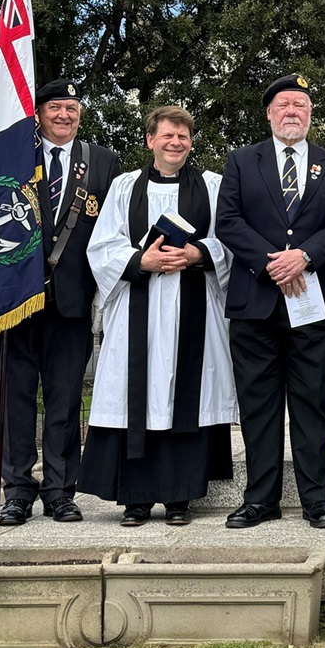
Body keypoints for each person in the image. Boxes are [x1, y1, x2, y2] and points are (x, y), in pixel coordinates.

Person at [79, 105, 236, 527]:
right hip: (138, 308)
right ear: (150, 140)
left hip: (194, 306)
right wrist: (139, 260)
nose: (175, 143)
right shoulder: (125, 187)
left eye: (183, 137)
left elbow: (231, 239)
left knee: (186, 393)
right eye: (167, 135)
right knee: (138, 394)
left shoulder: (213, 186)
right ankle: (136, 500)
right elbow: (101, 246)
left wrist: (198, 252)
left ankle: (181, 497)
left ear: (190, 142)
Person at [215, 74, 325, 531]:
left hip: (314, 304)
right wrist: (270, 262)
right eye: (283, 104)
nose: (292, 111)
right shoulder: (241, 161)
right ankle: (260, 499)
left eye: (300, 103)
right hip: (255, 303)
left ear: (310, 113)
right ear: (269, 113)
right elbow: (228, 221)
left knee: (312, 403)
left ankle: (317, 499)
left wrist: (306, 256)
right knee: (259, 406)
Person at [0, 78, 121, 526]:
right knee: (15, 399)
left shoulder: (103, 161)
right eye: (55, 107)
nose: (64, 115)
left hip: (72, 300)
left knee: (66, 401)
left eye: (72, 107)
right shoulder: (12, 157)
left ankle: (59, 490)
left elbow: (113, 229)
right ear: (39, 113)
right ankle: (16, 490)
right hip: (16, 301)